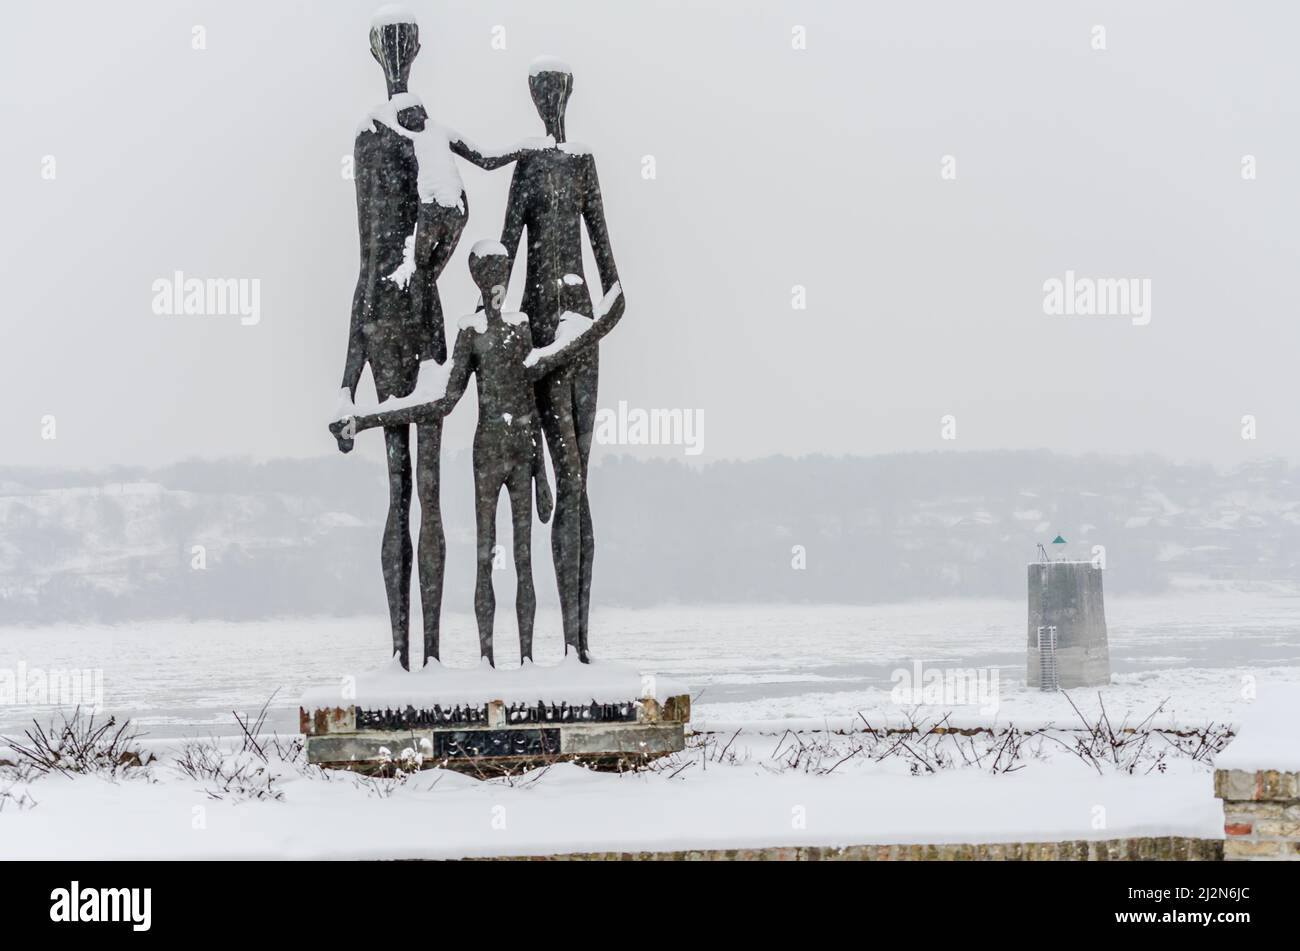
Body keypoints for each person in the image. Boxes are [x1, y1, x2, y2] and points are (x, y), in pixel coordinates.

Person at [331, 241, 624, 665]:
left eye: (501, 275)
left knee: (523, 558)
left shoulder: (521, 328)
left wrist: (541, 472)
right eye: (488, 276)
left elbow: (530, 390)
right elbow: (443, 401)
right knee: (485, 555)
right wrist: (368, 418)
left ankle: (525, 658)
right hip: (487, 451)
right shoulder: (470, 333)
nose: (496, 285)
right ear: (479, 281)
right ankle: (487, 658)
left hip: (522, 450)